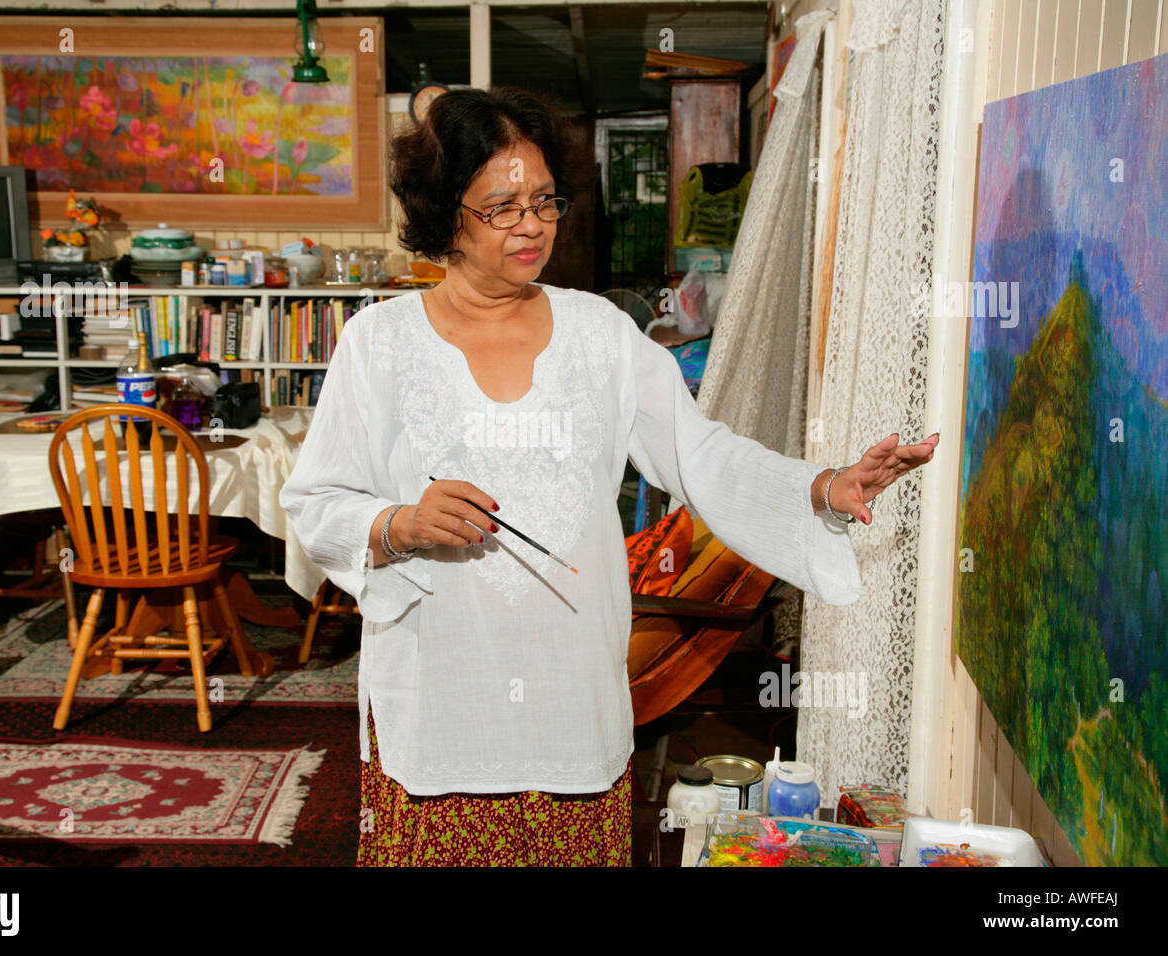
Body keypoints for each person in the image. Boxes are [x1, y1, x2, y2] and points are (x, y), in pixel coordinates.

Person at [279, 86, 939, 867]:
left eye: (544, 200)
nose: (532, 223)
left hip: (572, 698)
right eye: (501, 206)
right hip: (439, 705)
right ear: (442, 213)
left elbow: (701, 454)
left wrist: (821, 487)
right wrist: (399, 524)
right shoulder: (378, 344)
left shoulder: (601, 337)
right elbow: (317, 502)